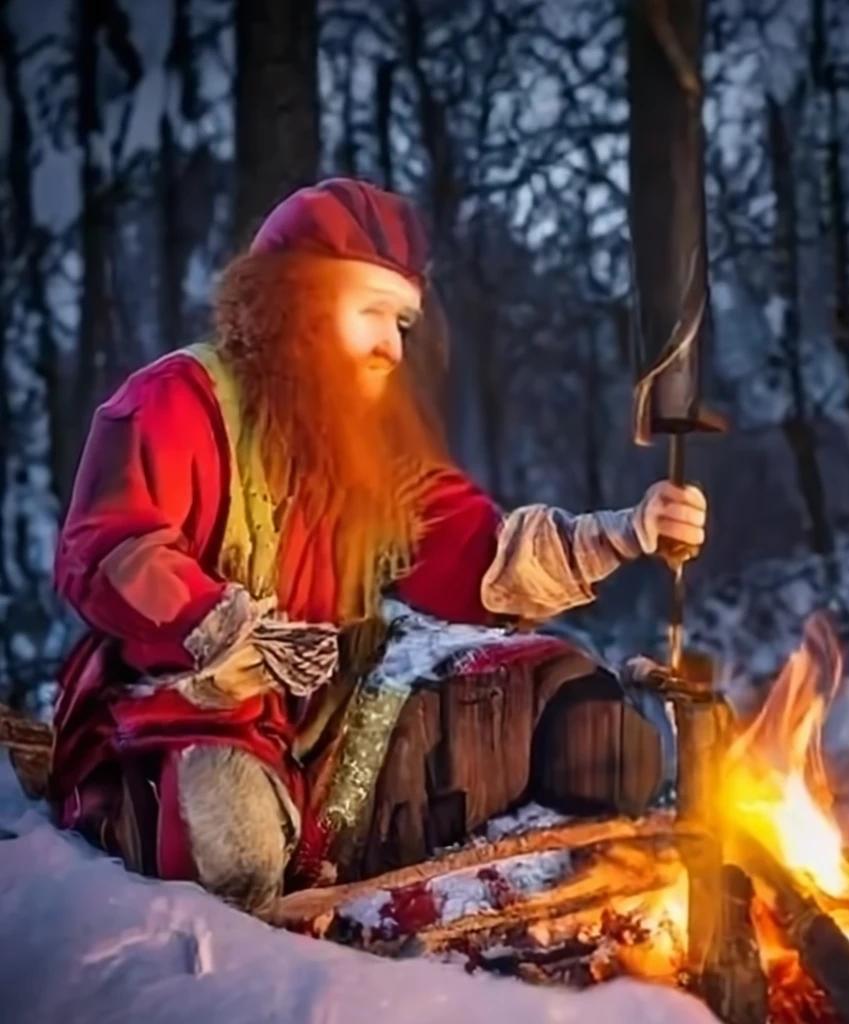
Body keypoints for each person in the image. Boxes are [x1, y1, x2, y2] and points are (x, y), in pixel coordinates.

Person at [47, 178, 708, 920]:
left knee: (587, 717)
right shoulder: (178, 400)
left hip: (339, 718)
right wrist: (223, 623)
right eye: (372, 313)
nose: (393, 346)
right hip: (184, 717)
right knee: (233, 859)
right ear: (291, 304)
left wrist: (621, 534)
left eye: (403, 321)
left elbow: (478, 553)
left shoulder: (368, 443)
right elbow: (110, 547)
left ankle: (384, 859)